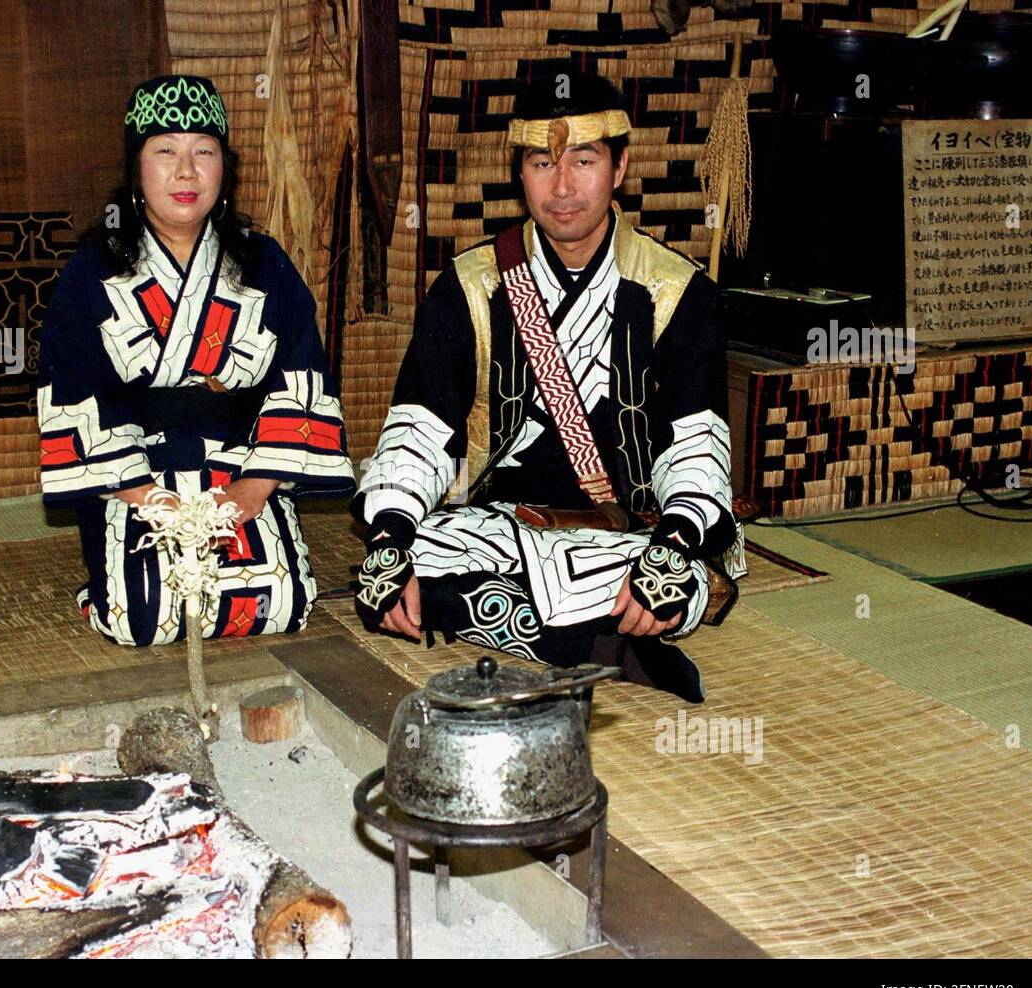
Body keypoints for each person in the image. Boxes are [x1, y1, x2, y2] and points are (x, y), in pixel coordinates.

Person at [352, 71, 744, 702]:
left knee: (679, 581)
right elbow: (421, 429)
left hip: (634, 534)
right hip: (495, 526)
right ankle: (598, 640)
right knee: (403, 569)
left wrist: (673, 546)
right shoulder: (469, 286)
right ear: (520, 172)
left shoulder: (679, 293)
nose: (562, 188)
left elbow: (695, 444)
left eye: (583, 161)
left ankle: (533, 621)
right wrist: (392, 535)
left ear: (619, 168)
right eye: (542, 163)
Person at [37, 74, 354, 646]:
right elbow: (74, 392)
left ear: (223, 169)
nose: (186, 172)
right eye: (165, 152)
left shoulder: (264, 262)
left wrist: (253, 490)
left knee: (280, 604)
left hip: (239, 467)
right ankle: (106, 585)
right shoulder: (93, 268)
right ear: (136, 169)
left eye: (203, 152)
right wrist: (149, 499)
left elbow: (301, 375)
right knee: (145, 619)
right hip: (135, 475)